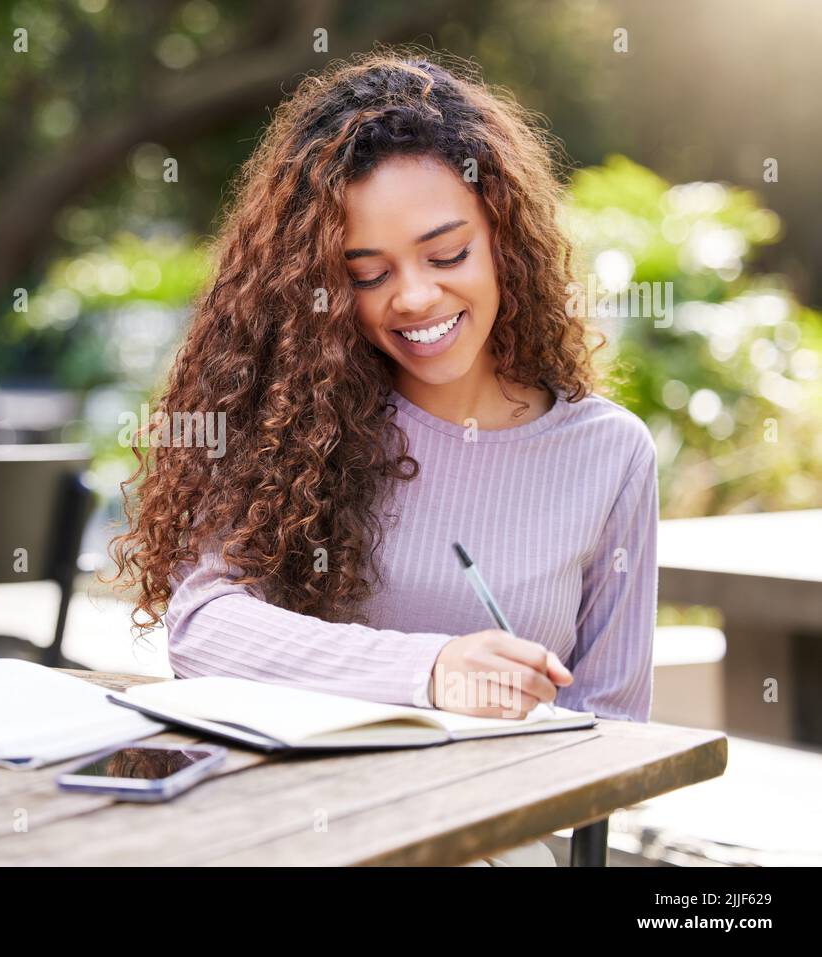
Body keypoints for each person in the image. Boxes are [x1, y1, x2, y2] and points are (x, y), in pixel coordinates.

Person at [106, 49, 659, 866]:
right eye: (367, 273)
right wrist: (432, 669)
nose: (414, 298)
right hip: (293, 820)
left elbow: (613, 733)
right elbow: (204, 626)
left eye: (447, 255)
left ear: (505, 238)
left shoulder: (609, 453)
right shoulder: (295, 421)